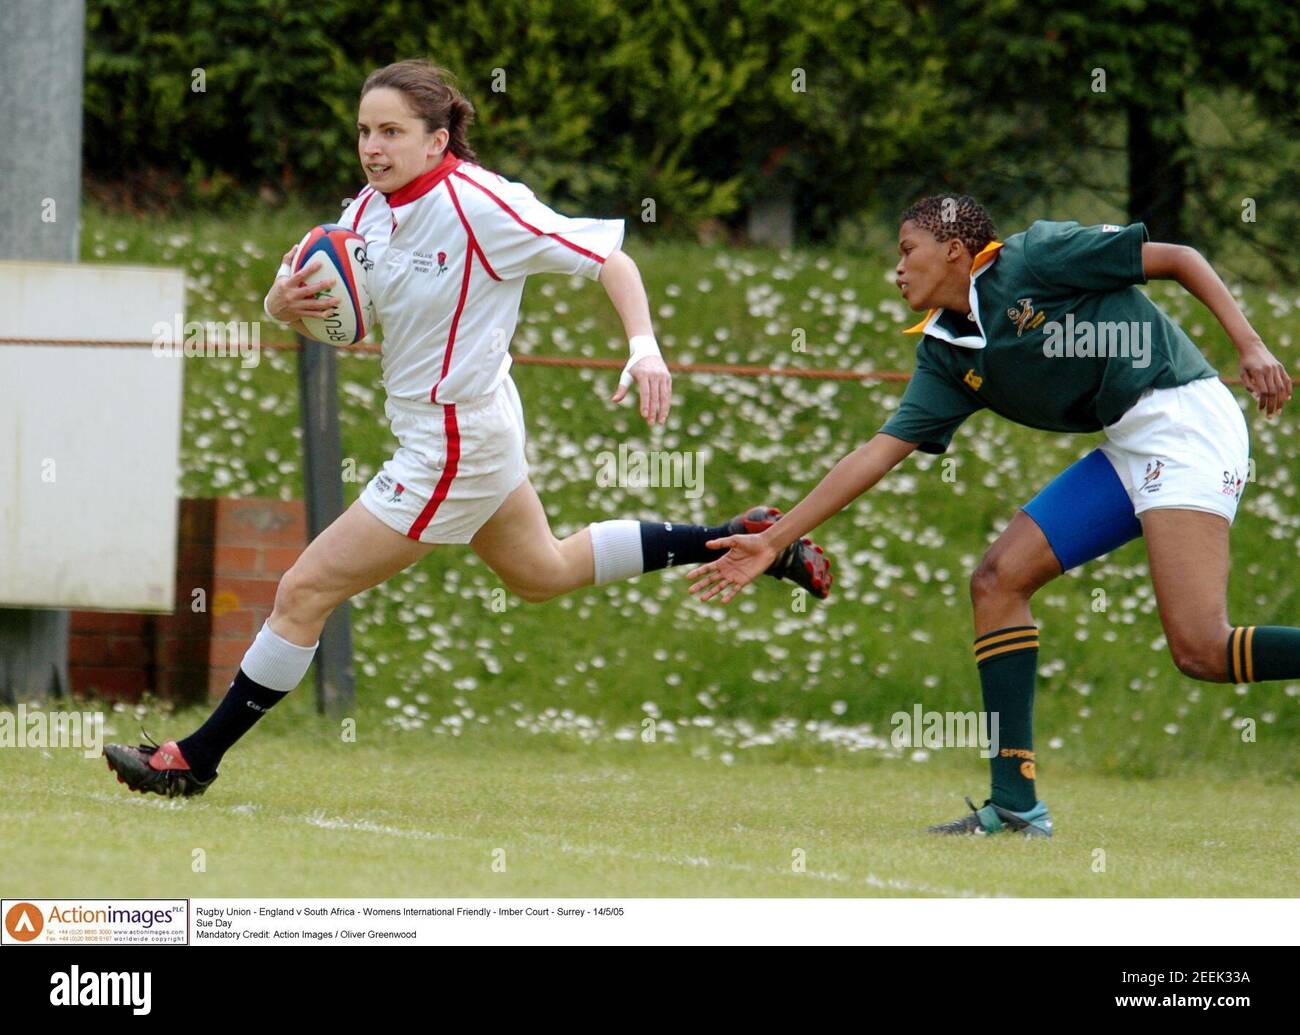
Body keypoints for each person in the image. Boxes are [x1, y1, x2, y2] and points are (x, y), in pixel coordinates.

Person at [103, 60, 831, 798]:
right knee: (541, 571)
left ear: (438, 138)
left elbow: (611, 258)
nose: (373, 147)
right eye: (364, 131)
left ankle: (193, 760)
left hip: (454, 443)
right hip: (454, 430)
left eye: (392, 131)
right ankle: (747, 534)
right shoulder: (366, 213)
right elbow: (320, 305)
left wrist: (643, 346)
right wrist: (279, 301)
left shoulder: (484, 204)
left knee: (303, 587)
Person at [687, 195, 1295, 838]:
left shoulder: (1036, 256)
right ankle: (1014, 806)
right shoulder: (947, 354)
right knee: (997, 581)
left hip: (1185, 420)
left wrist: (1250, 346)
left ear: (954, 251)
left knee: (1203, 649)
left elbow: (1178, 258)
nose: (897, 269)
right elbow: (875, 453)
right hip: (1130, 440)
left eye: (906, 251)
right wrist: (777, 540)